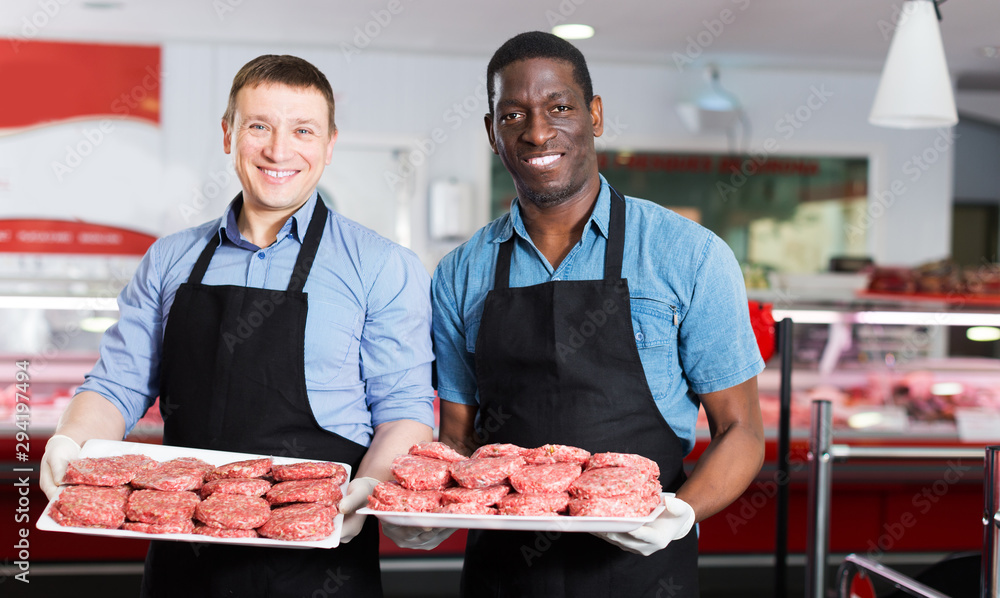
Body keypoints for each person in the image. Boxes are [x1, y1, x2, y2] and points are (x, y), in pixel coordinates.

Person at [39, 54, 435, 598]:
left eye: (303, 130)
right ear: (228, 135)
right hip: (184, 556)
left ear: (329, 144)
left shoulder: (383, 265)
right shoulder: (170, 259)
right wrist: (71, 439)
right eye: (258, 126)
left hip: (321, 564)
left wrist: (370, 485)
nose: (279, 149)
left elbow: (405, 412)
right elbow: (116, 386)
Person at [418, 31, 766, 597]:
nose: (537, 131)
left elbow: (742, 430)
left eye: (559, 107)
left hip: (642, 568)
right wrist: (428, 502)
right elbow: (457, 434)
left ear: (594, 115)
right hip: (505, 573)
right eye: (513, 115)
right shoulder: (460, 272)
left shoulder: (688, 254)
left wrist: (680, 513)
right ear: (491, 133)